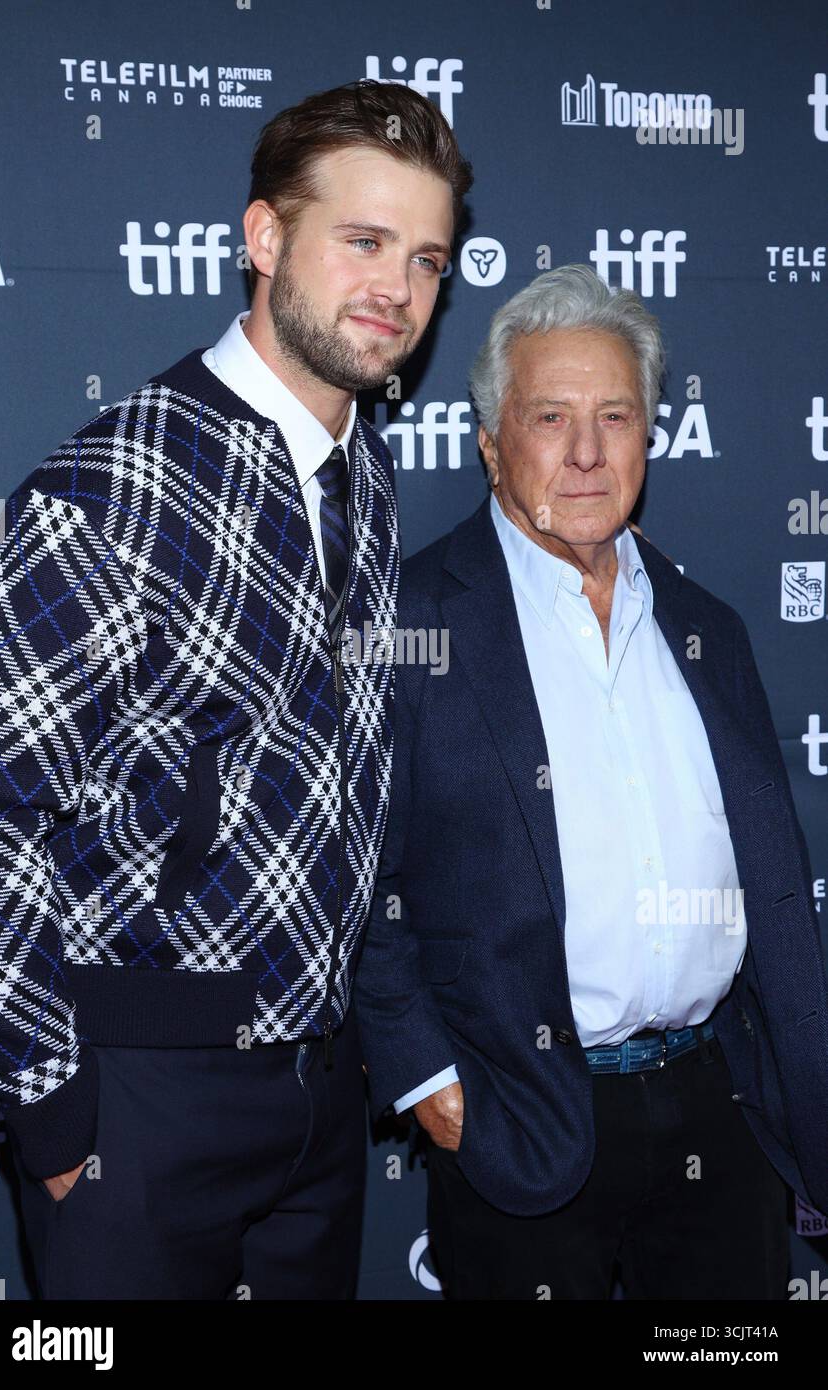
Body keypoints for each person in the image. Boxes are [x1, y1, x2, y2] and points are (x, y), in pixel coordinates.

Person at [0, 78, 472, 1300]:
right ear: (261, 239)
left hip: (317, 1088)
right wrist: (56, 1116)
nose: (396, 291)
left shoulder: (366, 470)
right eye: (361, 241)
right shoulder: (108, 486)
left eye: (426, 258)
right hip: (136, 1098)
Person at [354, 263, 828, 1300]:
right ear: (488, 441)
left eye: (614, 415)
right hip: (519, 1121)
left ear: (646, 436)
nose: (583, 452)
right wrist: (435, 1090)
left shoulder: (708, 629)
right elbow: (355, 884)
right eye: (549, 416)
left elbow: (769, 877)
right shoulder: (411, 621)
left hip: (721, 1114)